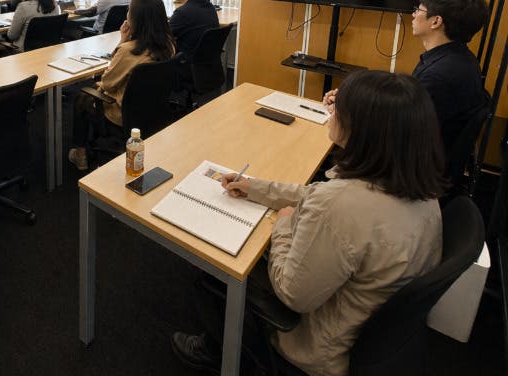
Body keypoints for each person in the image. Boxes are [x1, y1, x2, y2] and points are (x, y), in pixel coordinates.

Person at [172, 70, 444, 376]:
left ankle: (218, 352)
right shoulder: (419, 188)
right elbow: (315, 193)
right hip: (372, 331)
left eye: (339, 109)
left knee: (213, 269)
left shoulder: (339, 206)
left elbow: (293, 293)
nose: (331, 112)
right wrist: (254, 187)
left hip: (322, 350)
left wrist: (283, 226)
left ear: (363, 130)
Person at [324, 0, 488, 153]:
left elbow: (397, 131)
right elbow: (404, 109)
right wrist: (350, 102)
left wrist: (346, 115)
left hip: (414, 168)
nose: (414, 14)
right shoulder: (458, 59)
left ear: (436, 21)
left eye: (419, 9)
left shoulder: (439, 76)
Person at [67, 0, 175, 171]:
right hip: (153, 109)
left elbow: (108, 82)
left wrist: (122, 41)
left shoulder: (128, 50)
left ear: (135, 19)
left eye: (129, 12)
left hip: (121, 114)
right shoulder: (169, 45)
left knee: (81, 96)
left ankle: (80, 154)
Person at [170, 0, 220, 81]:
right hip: (206, 68)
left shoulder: (183, 12)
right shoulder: (210, 7)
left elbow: (161, 36)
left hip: (186, 67)